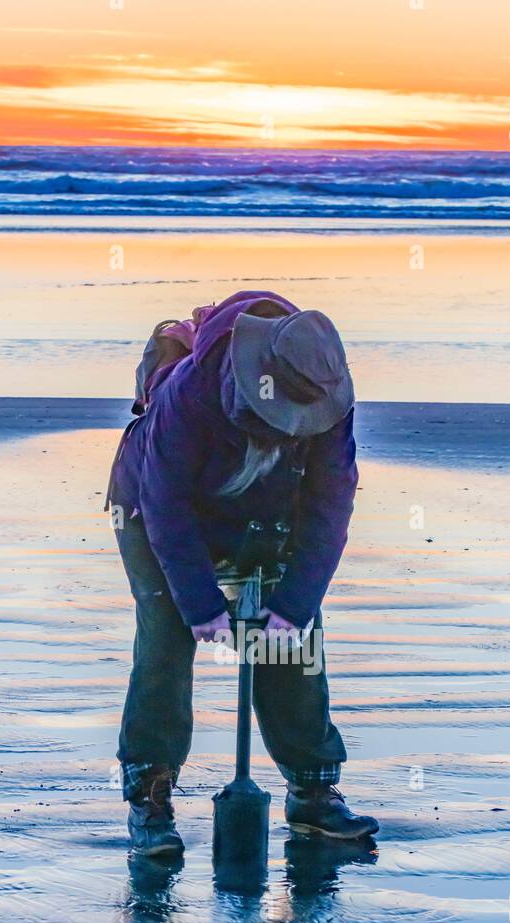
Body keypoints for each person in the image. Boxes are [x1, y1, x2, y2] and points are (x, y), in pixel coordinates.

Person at [107, 289, 379, 855]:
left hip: (265, 509)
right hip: (152, 507)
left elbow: (331, 504)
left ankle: (313, 793)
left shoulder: (327, 393)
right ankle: (150, 796)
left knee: (291, 645)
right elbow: (166, 504)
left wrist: (295, 607)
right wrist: (202, 606)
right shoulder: (192, 390)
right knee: (166, 637)